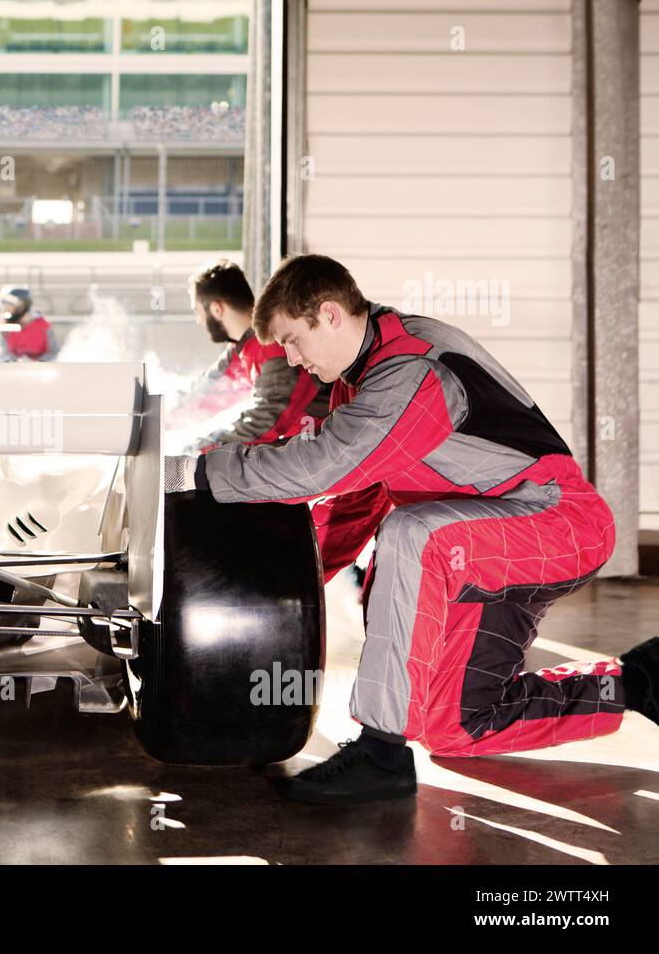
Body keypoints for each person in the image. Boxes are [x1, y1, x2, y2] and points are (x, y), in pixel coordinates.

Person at [168, 253, 659, 804]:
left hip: (558, 522)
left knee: (412, 534)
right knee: (457, 728)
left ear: (329, 314)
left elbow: (324, 465)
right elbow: (357, 498)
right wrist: (285, 583)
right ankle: (642, 681)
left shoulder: (412, 371)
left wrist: (194, 471)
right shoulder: (365, 375)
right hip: (485, 543)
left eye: (292, 340)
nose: (290, 359)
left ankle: (380, 752)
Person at [166, 259, 328, 451]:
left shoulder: (274, 345)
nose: (198, 321)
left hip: (325, 447)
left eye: (197, 312)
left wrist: (198, 450)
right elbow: (205, 391)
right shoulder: (241, 348)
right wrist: (159, 416)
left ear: (216, 309)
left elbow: (266, 419)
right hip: (303, 447)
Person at [0, 285, 57, 362]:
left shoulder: (42, 324)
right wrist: (15, 362)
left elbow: (53, 351)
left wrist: (39, 362)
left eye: (9, 304)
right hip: (15, 369)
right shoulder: (6, 326)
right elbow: (3, 352)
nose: (5, 308)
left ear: (22, 305)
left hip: (40, 369)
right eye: (4, 304)